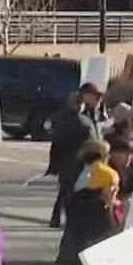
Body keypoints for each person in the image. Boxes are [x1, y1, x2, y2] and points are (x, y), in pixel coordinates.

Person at [48, 84, 105, 228]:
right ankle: (69, 218)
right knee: (74, 191)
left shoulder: (60, 117)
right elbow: (93, 141)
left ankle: (56, 217)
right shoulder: (84, 122)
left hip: (62, 157)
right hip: (78, 158)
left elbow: (54, 135)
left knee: (64, 189)